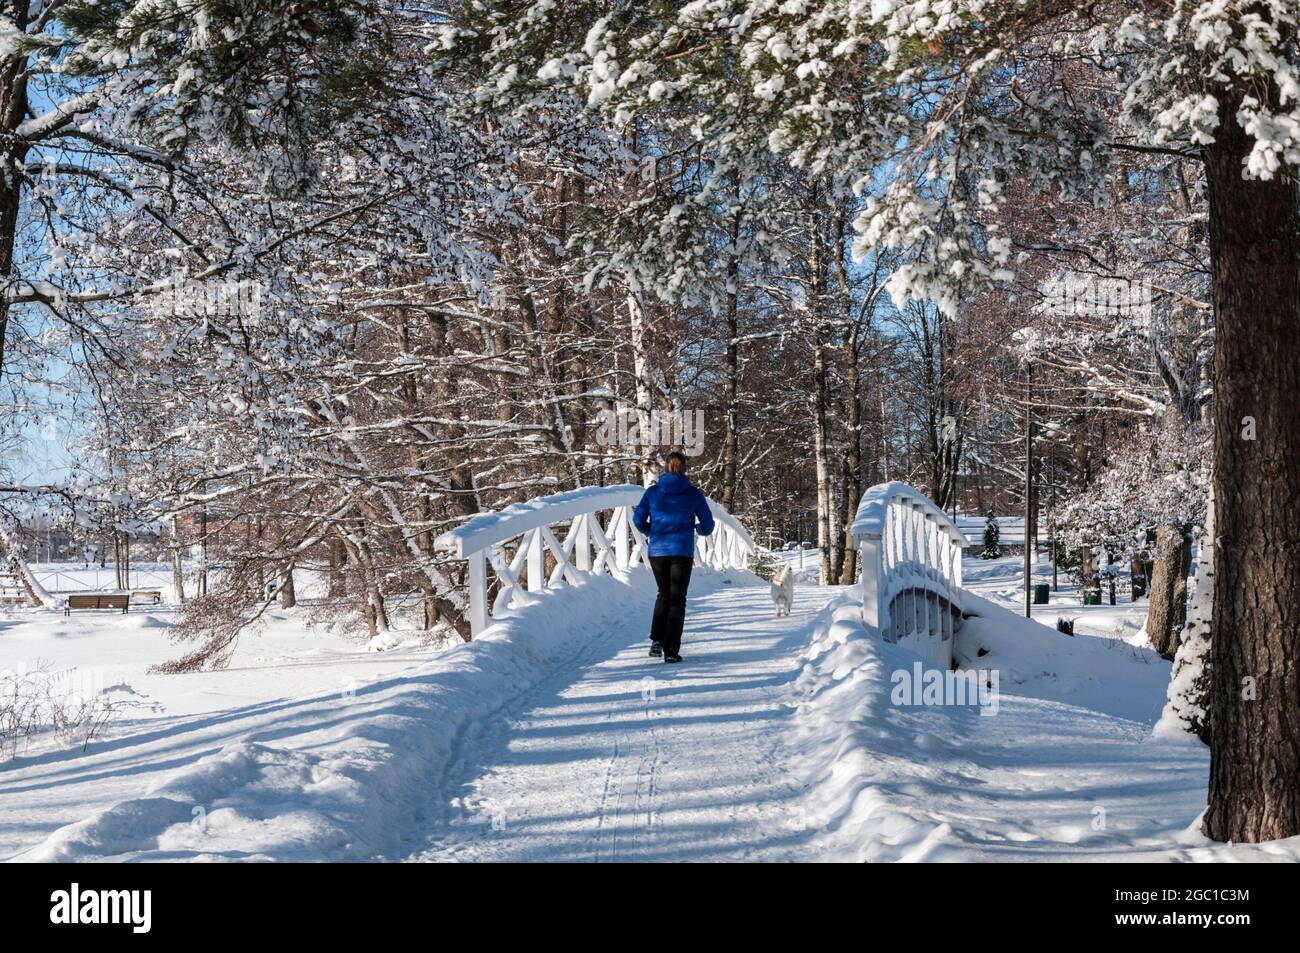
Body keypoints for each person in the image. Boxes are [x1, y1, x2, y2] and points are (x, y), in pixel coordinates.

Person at [633, 451, 714, 663]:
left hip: (658, 551)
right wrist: (699, 529)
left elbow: (638, 519)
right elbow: (708, 525)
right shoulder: (694, 494)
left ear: (666, 468)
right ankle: (671, 651)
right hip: (681, 550)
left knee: (664, 594)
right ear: (685, 468)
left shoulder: (652, 493)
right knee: (677, 600)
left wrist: (652, 531)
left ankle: (657, 640)